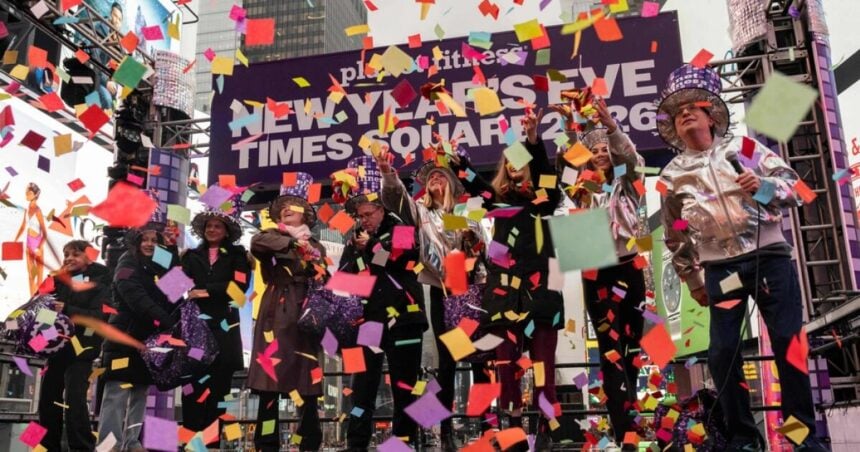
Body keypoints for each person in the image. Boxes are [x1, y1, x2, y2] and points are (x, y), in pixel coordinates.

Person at [657, 65, 828, 452]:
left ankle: (802, 439)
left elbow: (800, 190)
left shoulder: (746, 149)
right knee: (720, 352)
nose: (684, 114)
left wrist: (764, 186)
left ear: (711, 115)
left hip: (770, 258)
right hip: (721, 270)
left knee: (788, 342)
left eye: (692, 107)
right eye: (677, 110)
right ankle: (743, 439)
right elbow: (675, 233)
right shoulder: (670, 176)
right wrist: (691, 280)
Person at [456, 108, 563, 449]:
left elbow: (549, 178)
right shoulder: (496, 202)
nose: (516, 170)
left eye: (523, 164)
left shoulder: (544, 202)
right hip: (503, 298)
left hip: (542, 295)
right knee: (508, 370)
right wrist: (453, 157)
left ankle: (547, 428)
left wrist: (533, 141)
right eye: (511, 164)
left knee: (544, 367)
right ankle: (514, 430)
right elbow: (473, 181)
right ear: (504, 169)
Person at [373, 144, 492, 449]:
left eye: (441, 176)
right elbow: (396, 200)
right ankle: (445, 432)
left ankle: (487, 427)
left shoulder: (468, 211)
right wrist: (387, 172)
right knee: (447, 364)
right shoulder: (421, 212)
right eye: (431, 179)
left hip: (470, 291)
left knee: (480, 361)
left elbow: (487, 252)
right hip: (441, 290)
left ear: (452, 183)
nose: (436, 181)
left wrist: (473, 241)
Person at [552, 97, 647, 444]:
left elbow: (632, 160)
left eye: (607, 149)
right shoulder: (579, 193)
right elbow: (564, 167)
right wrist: (567, 129)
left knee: (632, 350)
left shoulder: (628, 185)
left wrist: (612, 129)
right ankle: (624, 431)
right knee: (610, 349)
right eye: (595, 151)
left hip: (630, 269)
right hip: (598, 275)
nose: (602, 153)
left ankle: (631, 415)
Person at [333, 156, 428, 450]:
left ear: (381, 207)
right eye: (359, 215)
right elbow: (344, 281)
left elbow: (406, 261)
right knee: (361, 388)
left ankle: (403, 443)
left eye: (368, 213)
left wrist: (373, 248)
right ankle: (356, 444)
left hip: (405, 317)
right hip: (368, 322)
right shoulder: (354, 239)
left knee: (405, 387)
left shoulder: (401, 225)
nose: (364, 220)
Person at [248, 173, 326, 452]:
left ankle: (309, 439)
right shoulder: (271, 236)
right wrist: (293, 244)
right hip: (278, 309)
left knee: (308, 378)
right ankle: (266, 442)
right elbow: (257, 244)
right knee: (270, 381)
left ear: (305, 213)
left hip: (307, 312)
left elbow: (323, 271)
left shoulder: (317, 244)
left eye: (292, 206)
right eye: (282, 207)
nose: (285, 210)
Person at [98, 222, 179, 452]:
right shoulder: (126, 261)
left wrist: (172, 250)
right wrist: (168, 322)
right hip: (124, 337)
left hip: (148, 340)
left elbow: (177, 286)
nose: (150, 244)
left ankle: (131, 442)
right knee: (116, 393)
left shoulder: (159, 264)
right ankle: (108, 445)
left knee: (140, 393)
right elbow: (136, 299)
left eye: (155, 241)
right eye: (145, 239)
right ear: (137, 240)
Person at [180, 186, 250, 439]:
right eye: (209, 225)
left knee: (219, 393)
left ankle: (211, 445)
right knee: (192, 391)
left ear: (227, 231)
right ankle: (189, 443)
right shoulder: (189, 255)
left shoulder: (238, 255)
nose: (212, 230)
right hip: (195, 331)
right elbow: (175, 286)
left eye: (217, 226)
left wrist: (206, 291)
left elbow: (239, 288)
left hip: (224, 332)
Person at [39, 240, 111, 452]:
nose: (69, 258)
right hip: (55, 348)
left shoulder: (102, 280)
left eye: (76, 254)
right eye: (66, 254)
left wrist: (67, 309)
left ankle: (81, 447)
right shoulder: (55, 280)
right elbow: (41, 310)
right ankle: (45, 446)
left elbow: (101, 316)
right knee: (46, 401)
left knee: (74, 400)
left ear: (89, 257)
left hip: (82, 350)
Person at [14, 182, 47, 295]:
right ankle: (31, 300)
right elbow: (23, 226)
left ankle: (39, 300)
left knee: (39, 277)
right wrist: (15, 240)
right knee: (31, 276)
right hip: (28, 244)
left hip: (38, 245)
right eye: (26, 192)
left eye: (29, 192)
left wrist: (39, 247)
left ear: (35, 194)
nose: (26, 194)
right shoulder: (26, 210)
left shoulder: (38, 211)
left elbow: (45, 233)